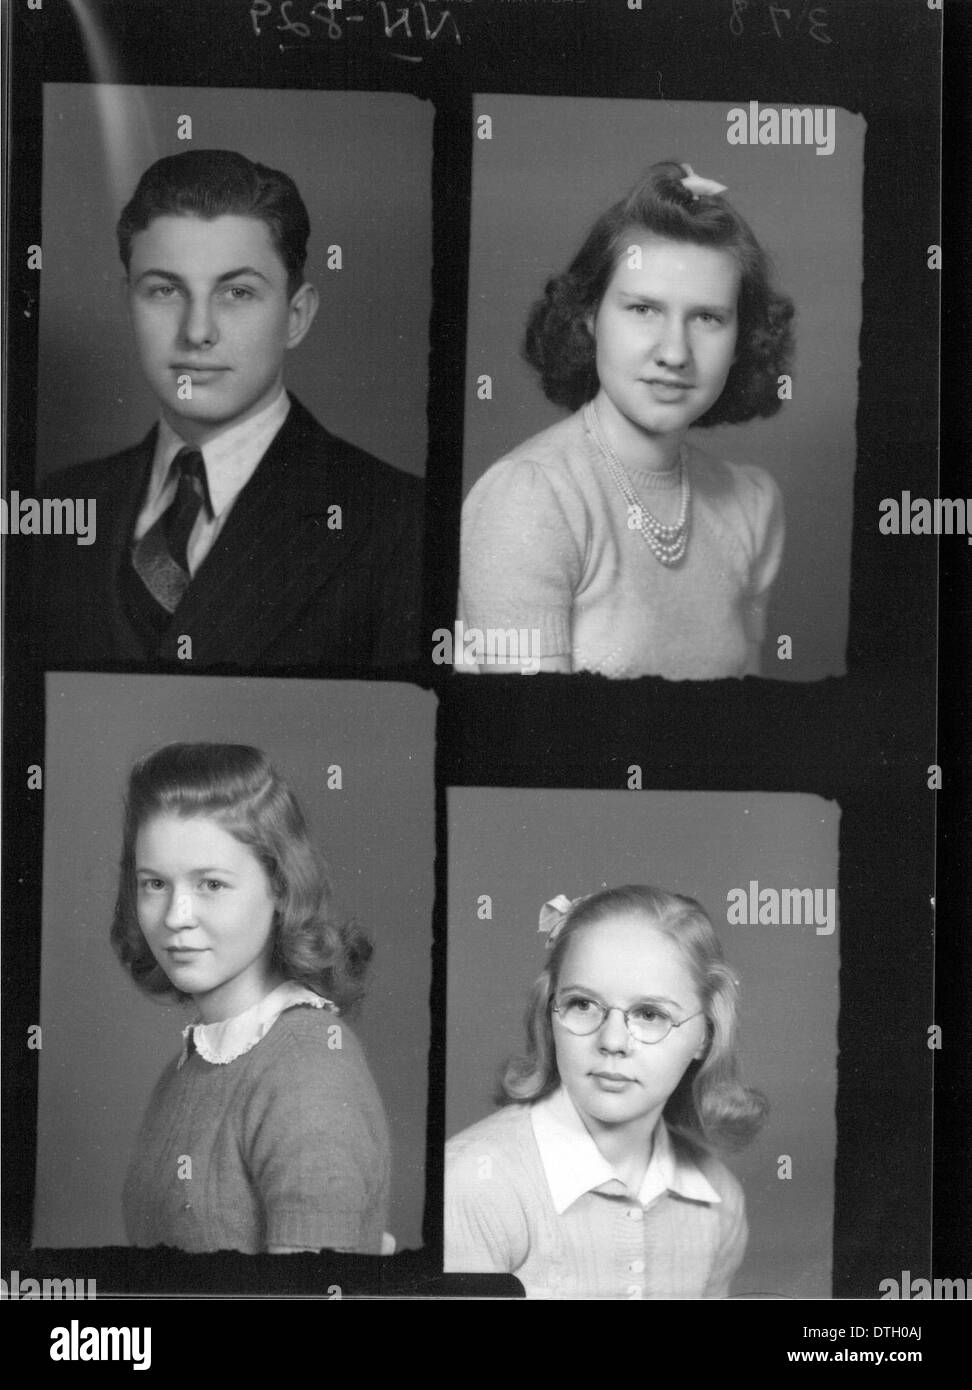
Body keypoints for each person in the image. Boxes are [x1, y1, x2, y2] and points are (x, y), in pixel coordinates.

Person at [38, 149, 423, 669]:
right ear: (127, 301)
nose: (197, 332)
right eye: (165, 290)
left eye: (237, 292)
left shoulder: (399, 522)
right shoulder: (57, 504)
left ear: (296, 316)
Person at [459, 161, 794, 678]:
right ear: (590, 315)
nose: (675, 352)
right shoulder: (530, 498)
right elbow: (528, 746)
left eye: (707, 317)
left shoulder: (751, 504)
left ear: (741, 339)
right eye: (643, 309)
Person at [113, 742, 391, 1254]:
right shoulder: (191, 1066)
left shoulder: (310, 1066)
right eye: (155, 883)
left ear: (281, 887)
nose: (177, 915)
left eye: (212, 884)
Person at [445, 885, 766, 1298]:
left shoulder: (717, 1198)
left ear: (705, 1034)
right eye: (582, 1004)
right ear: (549, 1012)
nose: (612, 1040)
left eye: (651, 1014)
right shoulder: (476, 1186)